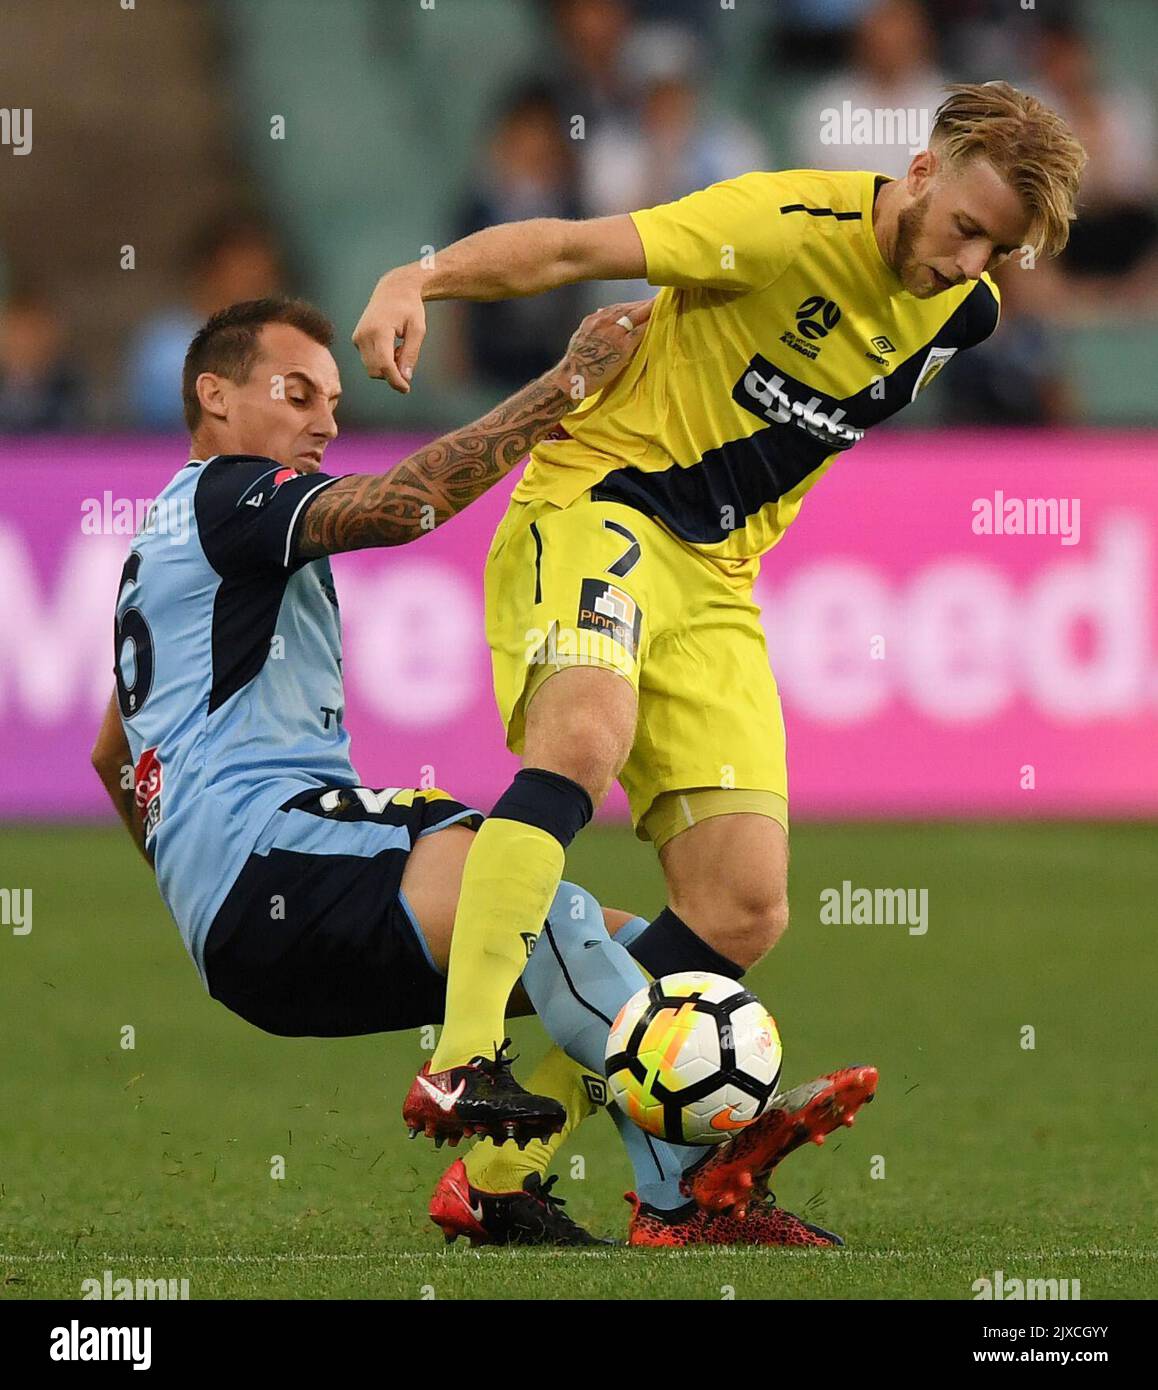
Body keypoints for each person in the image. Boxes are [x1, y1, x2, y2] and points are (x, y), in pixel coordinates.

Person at [350, 83, 1085, 1191]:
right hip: (602, 506)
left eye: (1001, 248)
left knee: (742, 905)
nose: (970, 261)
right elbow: (570, 246)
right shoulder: (777, 226)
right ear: (922, 174)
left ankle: (498, 1181)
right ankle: (463, 1058)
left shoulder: (965, 313)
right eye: (965, 227)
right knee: (583, 743)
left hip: (719, 576)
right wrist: (422, 277)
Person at [90, 294, 875, 1247]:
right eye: (297, 392)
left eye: (334, 401)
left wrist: (197, 897)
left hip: (246, 934)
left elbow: (112, 748)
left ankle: (592, 1196)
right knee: (548, 904)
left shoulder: (165, 544)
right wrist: (568, 384)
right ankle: (684, 1155)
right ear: (211, 395)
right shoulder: (229, 498)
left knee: (616, 950)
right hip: (275, 857)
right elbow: (400, 506)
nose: (326, 420)